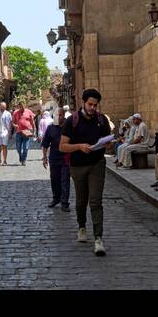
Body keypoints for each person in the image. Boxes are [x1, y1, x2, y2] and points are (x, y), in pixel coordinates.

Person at [60, 88, 115, 257]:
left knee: (96, 201)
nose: (92, 107)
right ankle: (82, 227)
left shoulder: (102, 120)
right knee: (81, 200)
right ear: (83, 102)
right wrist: (79, 146)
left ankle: (98, 238)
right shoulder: (72, 121)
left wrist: (109, 145)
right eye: (90, 104)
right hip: (77, 166)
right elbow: (62, 146)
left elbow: (109, 142)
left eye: (95, 105)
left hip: (97, 164)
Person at [41, 110, 71, 211]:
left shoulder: (69, 127)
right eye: (56, 116)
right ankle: (56, 198)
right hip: (54, 158)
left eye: (60, 115)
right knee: (54, 179)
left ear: (64, 116)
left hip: (66, 158)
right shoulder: (51, 128)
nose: (58, 118)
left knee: (65, 180)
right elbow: (45, 144)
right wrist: (44, 157)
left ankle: (64, 202)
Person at [11, 101, 36, 166]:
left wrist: (34, 131)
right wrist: (14, 125)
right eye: (21, 106)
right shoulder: (15, 112)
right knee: (18, 147)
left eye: (23, 106)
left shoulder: (29, 112)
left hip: (27, 132)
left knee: (26, 147)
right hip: (19, 132)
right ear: (19, 106)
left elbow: (32, 122)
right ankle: (20, 155)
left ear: (25, 105)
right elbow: (12, 122)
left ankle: (24, 159)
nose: (22, 108)